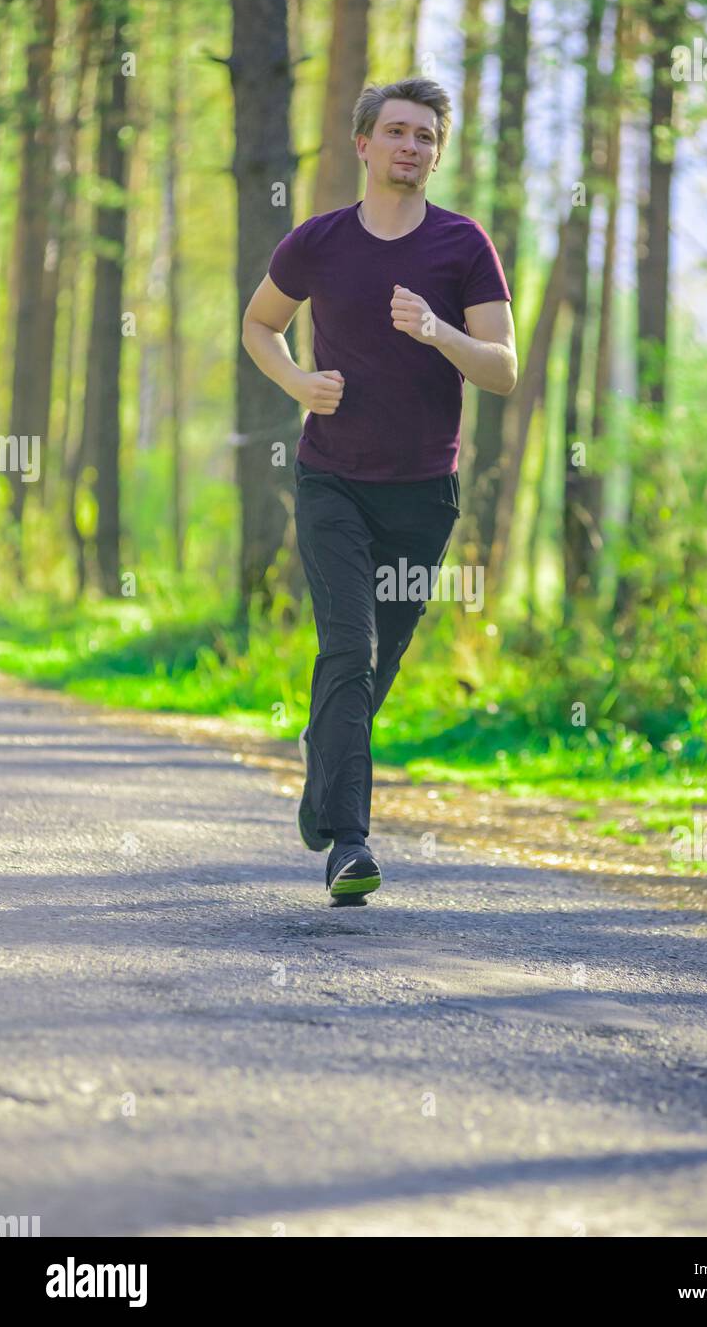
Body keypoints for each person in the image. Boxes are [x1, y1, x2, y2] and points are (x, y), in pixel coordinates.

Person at [241, 76, 516, 905]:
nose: (410, 147)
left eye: (425, 136)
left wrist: (438, 331)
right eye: (396, 131)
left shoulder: (463, 246)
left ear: (437, 152)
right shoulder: (318, 242)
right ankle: (349, 845)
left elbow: (502, 370)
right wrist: (295, 381)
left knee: (378, 662)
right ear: (362, 145)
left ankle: (323, 755)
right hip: (331, 481)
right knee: (348, 650)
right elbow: (260, 322)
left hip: (423, 491)